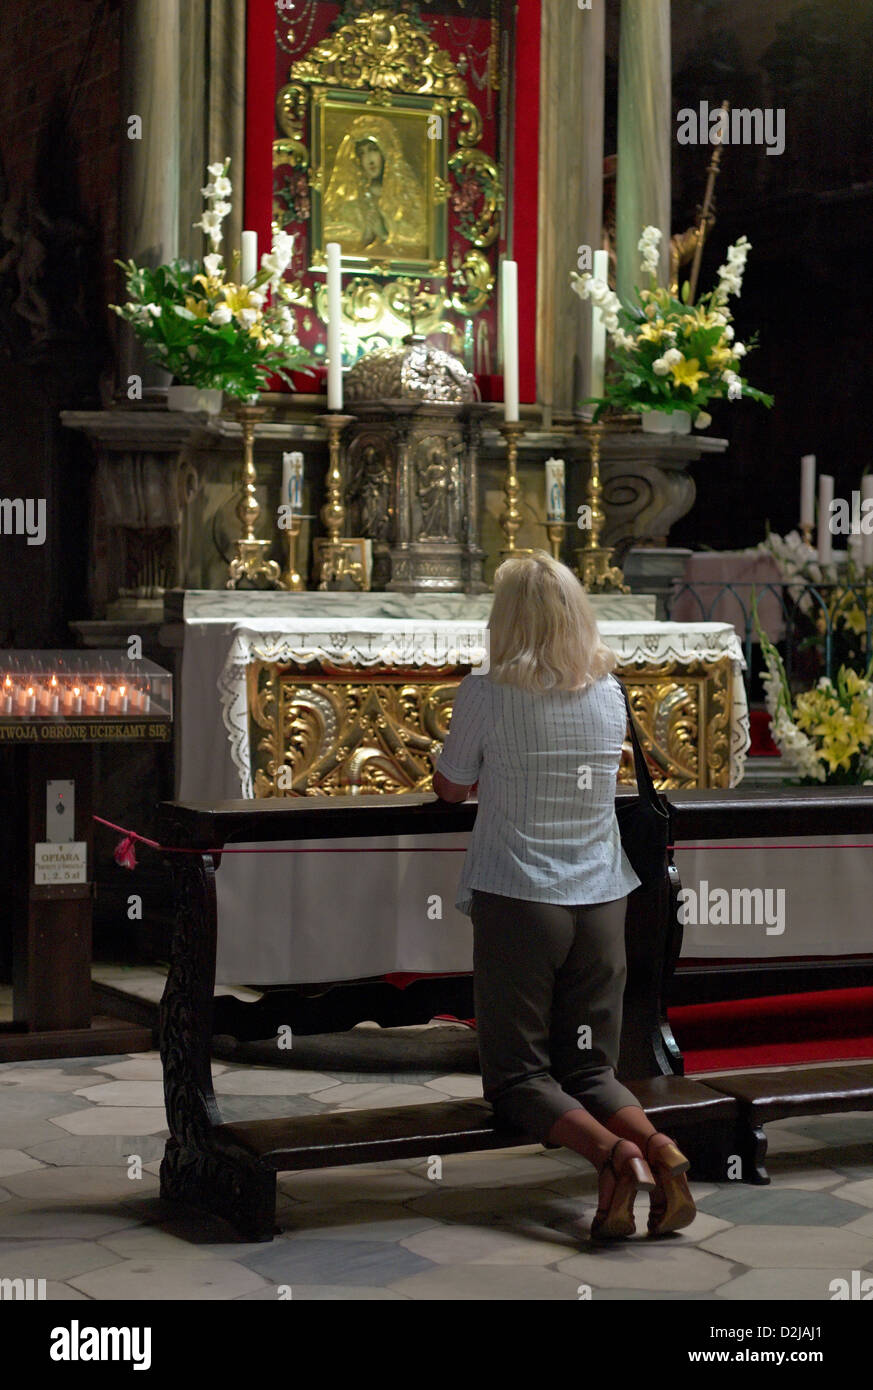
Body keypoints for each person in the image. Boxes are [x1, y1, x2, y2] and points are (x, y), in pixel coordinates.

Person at [432, 551, 696, 1240]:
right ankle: (661, 1152)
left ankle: (614, 1159)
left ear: (505, 620)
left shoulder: (486, 693)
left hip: (520, 900)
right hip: (602, 904)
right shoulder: (606, 691)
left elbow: (451, 786)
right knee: (587, 1066)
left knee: (517, 1078)